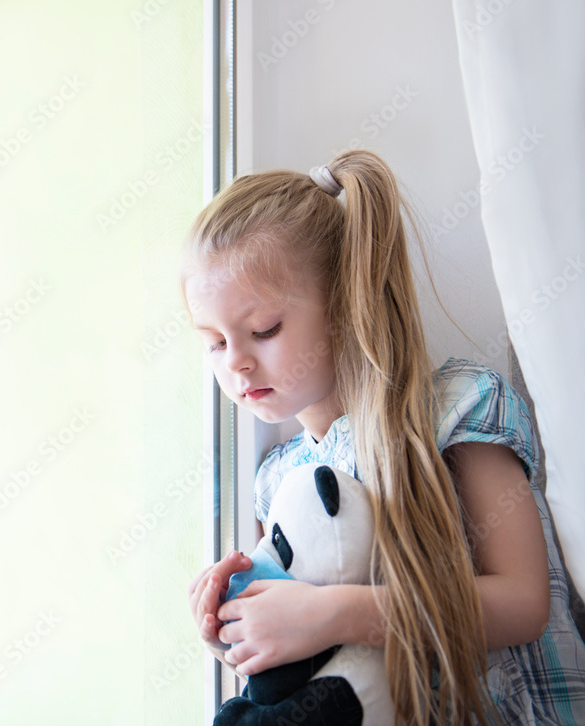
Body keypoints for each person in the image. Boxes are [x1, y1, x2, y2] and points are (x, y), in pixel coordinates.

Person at [182, 150, 585, 725]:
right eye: (216, 343)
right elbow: (326, 657)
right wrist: (236, 627)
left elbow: (523, 606)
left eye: (263, 329)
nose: (237, 363)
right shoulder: (278, 482)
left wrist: (332, 613)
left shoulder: (458, 408)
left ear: (346, 303)